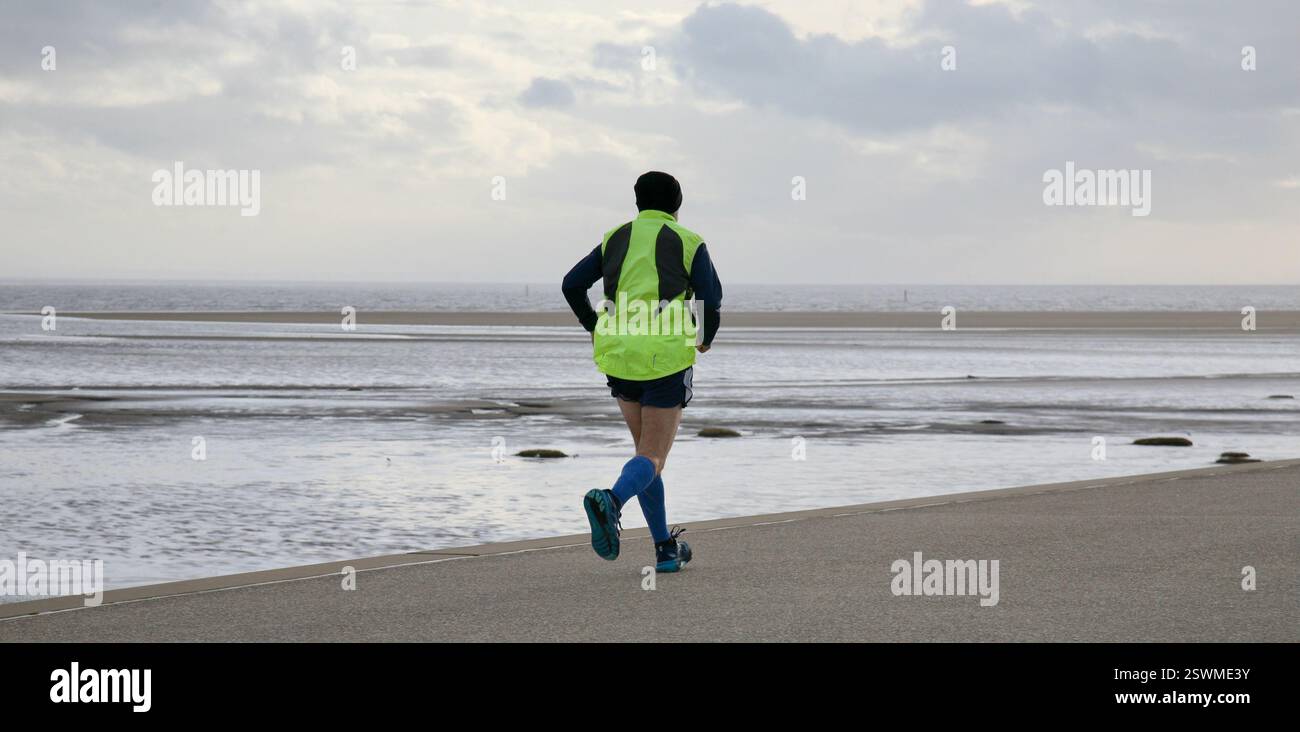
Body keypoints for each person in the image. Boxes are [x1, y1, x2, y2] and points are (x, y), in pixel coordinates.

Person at [561, 171, 723, 573]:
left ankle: (665, 549)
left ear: (637, 203)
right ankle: (611, 501)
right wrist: (705, 337)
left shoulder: (615, 237)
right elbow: (711, 298)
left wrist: (594, 325)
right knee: (652, 455)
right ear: (677, 203)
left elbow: (571, 284)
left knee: (645, 456)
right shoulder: (687, 241)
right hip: (665, 358)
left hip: (619, 357)